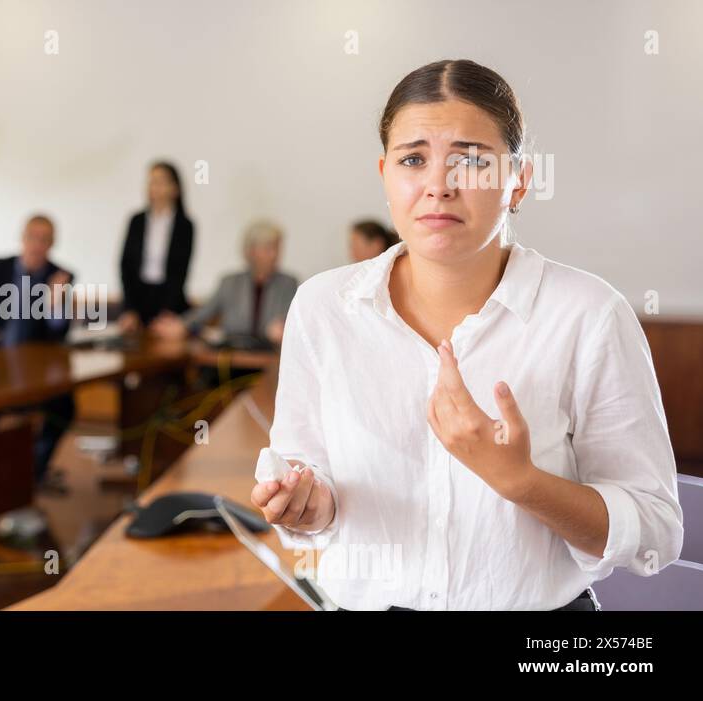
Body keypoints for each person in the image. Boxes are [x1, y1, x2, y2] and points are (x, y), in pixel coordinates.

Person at [250, 59, 683, 611]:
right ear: (385, 174)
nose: (438, 186)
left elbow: (656, 531)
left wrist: (522, 482)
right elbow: (311, 482)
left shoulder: (589, 315)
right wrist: (308, 507)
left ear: (519, 181)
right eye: (413, 160)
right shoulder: (323, 307)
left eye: (472, 161)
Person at [0, 214, 75, 494]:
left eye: (44, 239)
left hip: (37, 370)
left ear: (52, 244)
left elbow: (59, 333)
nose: (37, 245)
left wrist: (56, 303)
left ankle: (34, 472)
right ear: (22, 238)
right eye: (32, 237)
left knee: (64, 406)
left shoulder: (60, 276)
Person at [153, 219, 298, 346]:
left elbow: (289, 324)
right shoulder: (230, 282)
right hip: (231, 355)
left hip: (269, 358)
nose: (274, 255)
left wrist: (283, 330)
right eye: (268, 249)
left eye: (277, 248)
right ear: (251, 251)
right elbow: (204, 312)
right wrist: (181, 325)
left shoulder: (288, 284)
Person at [118, 161, 194, 333]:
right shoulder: (136, 221)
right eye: (152, 181)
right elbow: (126, 266)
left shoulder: (185, 226)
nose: (155, 187)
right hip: (138, 300)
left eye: (161, 181)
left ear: (175, 188)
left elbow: (180, 271)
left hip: (170, 303)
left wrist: (167, 311)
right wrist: (130, 308)